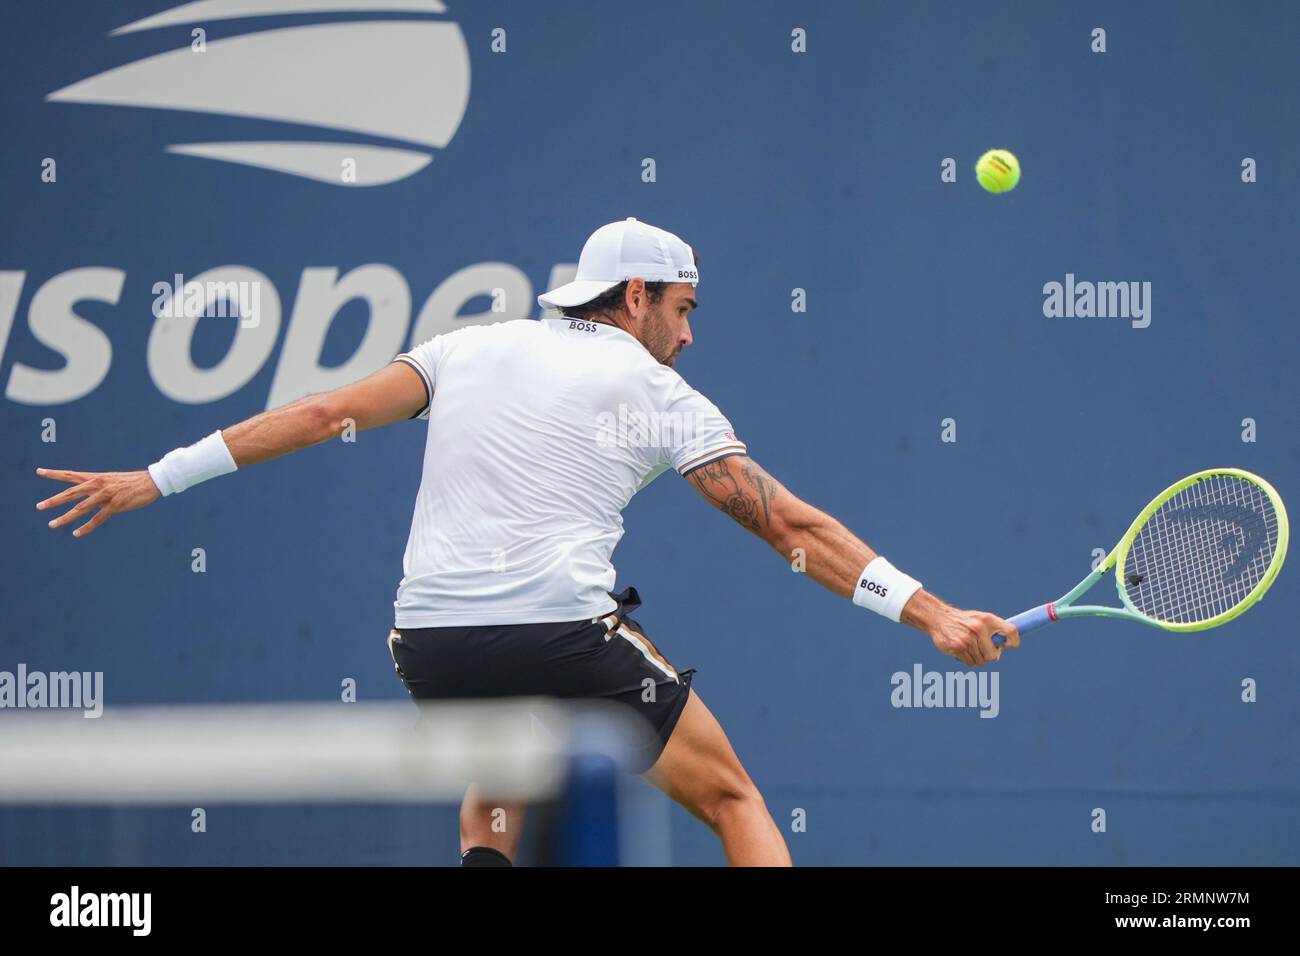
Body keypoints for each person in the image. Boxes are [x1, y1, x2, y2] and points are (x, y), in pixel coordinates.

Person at [35, 217, 1020, 866]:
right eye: (681, 309)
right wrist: (930, 611)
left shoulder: (466, 347)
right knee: (728, 796)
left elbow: (326, 407)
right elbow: (791, 527)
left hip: (431, 647)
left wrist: (153, 476)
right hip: (558, 637)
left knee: (490, 808)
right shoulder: (660, 391)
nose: (687, 335)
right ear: (634, 295)